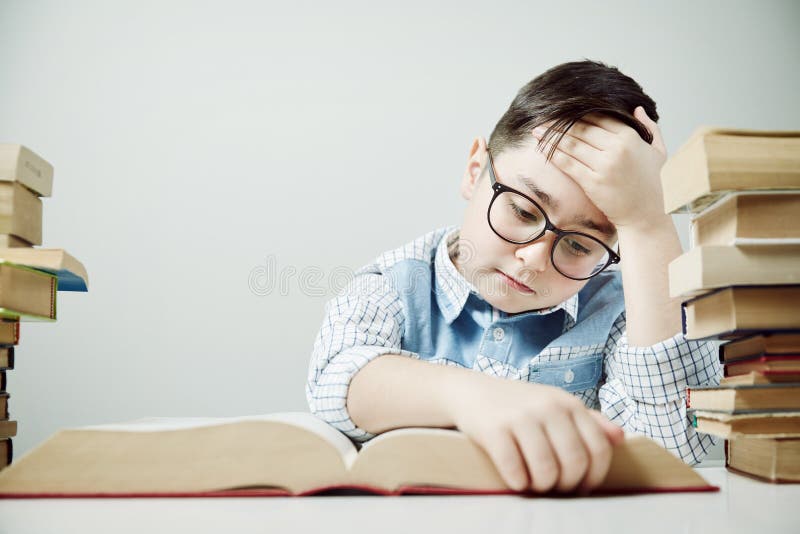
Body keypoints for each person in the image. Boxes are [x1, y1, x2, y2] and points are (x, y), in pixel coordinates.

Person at [306, 59, 721, 494]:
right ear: (474, 172)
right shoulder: (394, 283)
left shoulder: (625, 313)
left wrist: (648, 221)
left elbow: (675, 443)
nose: (535, 258)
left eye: (579, 245)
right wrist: (470, 396)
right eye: (523, 211)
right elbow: (336, 380)